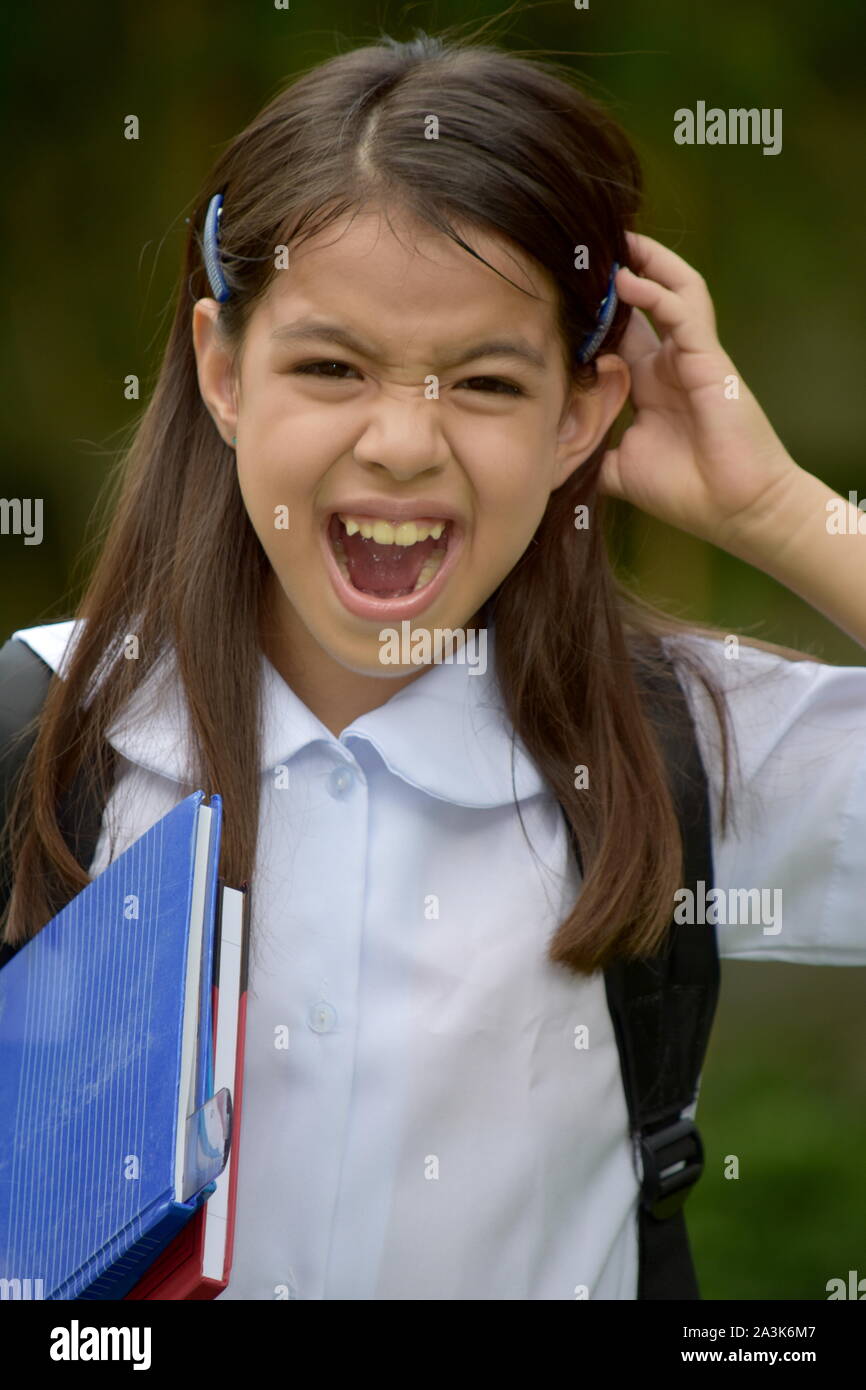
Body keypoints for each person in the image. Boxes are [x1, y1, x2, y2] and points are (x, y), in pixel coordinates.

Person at [2, 32, 865, 1300]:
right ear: (222, 368)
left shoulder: (680, 745)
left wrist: (782, 514)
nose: (402, 442)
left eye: (484, 381)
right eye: (331, 366)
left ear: (578, 415)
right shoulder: (41, 727)